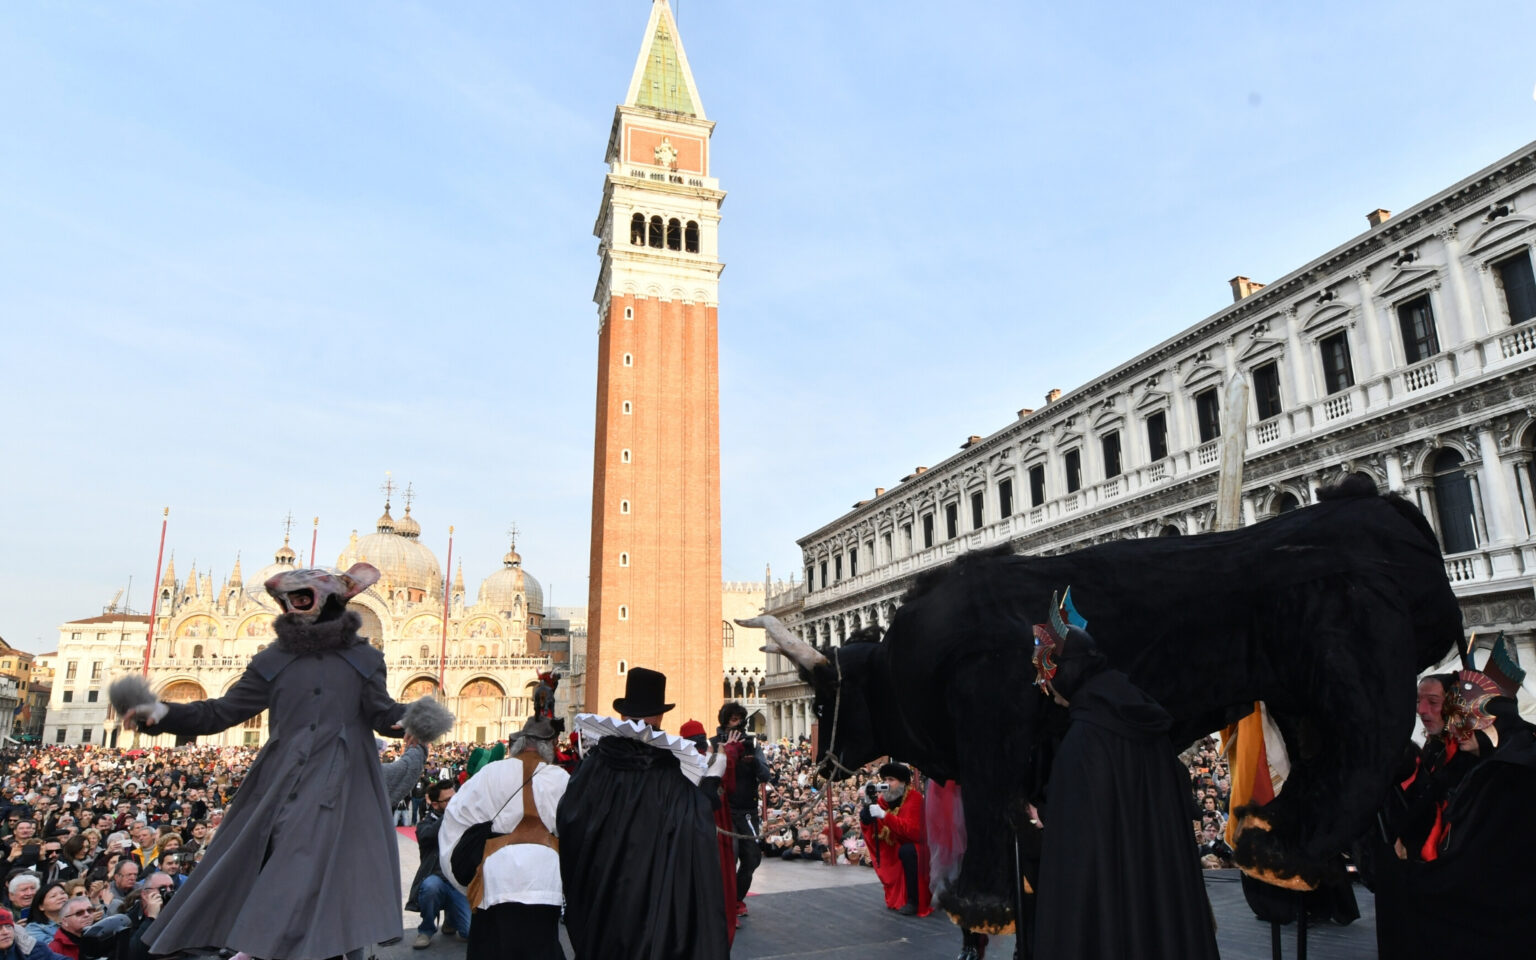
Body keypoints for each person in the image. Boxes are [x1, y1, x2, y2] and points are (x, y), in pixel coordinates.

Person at [111, 563, 449, 960]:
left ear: (329, 601)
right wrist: (162, 714)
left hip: (343, 781)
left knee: (320, 868)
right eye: (286, 601)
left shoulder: (364, 659)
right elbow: (221, 712)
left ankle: (299, 946)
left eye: (301, 599)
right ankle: (264, 945)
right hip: (283, 778)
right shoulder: (272, 660)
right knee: (280, 860)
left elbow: (382, 712)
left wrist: (418, 719)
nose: (292, 609)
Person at [1029, 599, 1219, 960]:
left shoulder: (1084, 741)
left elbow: (1075, 861)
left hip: (1113, 910)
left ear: (1066, 672)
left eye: (1046, 678)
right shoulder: (1144, 718)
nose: (1046, 691)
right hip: (1161, 898)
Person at [556, 667, 728, 959]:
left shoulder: (594, 764)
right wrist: (712, 781)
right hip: (648, 897)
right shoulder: (667, 773)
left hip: (601, 893)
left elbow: (568, 818)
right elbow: (695, 818)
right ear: (660, 716)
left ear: (623, 715)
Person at [440, 717, 569, 960]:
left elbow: (455, 820)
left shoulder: (489, 774)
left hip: (495, 881)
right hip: (543, 883)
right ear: (550, 746)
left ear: (519, 743)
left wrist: (464, 882)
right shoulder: (560, 779)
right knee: (541, 946)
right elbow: (576, 831)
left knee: (490, 947)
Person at [682, 719, 738, 947]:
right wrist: (729, 749)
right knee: (721, 884)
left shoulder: (682, 765)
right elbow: (731, 787)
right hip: (720, 837)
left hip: (694, 836)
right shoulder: (720, 760)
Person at [709, 702, 767, 918]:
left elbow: (766, 776)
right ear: (724, 722)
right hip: (724, 810)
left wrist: (753, 763)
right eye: (733, 719)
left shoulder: (752, 743)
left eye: (740, 719)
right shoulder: (713, 743)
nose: (739, 723)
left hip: (748, 810)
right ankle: (725, 902)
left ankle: (737, 898)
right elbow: (710, 774)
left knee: (752, 858)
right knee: (728, 857)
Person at [858, 763, 931, 917]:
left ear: (903, 782)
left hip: (920, 847)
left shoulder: (914, 798)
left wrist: (885, 816)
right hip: (898, 846)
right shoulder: (883, 801)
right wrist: (866, 818)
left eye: (891, 779)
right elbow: (876, 830)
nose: (886, 783)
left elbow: (913, 832)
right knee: (900, 851)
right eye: (885, 779)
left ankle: (914, 900)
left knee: (907, 851)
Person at [408, 782, 469, 949]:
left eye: (455, 797)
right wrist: (450, 814)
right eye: (448, 800)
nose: (454, 802)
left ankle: (451, 920)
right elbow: (428, 836)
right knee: (431, 887)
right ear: (435, 804)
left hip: (458, 882)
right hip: (436, 879)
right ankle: (426, 930)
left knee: (469, 932)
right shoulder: (425, 823)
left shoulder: (464, 821)